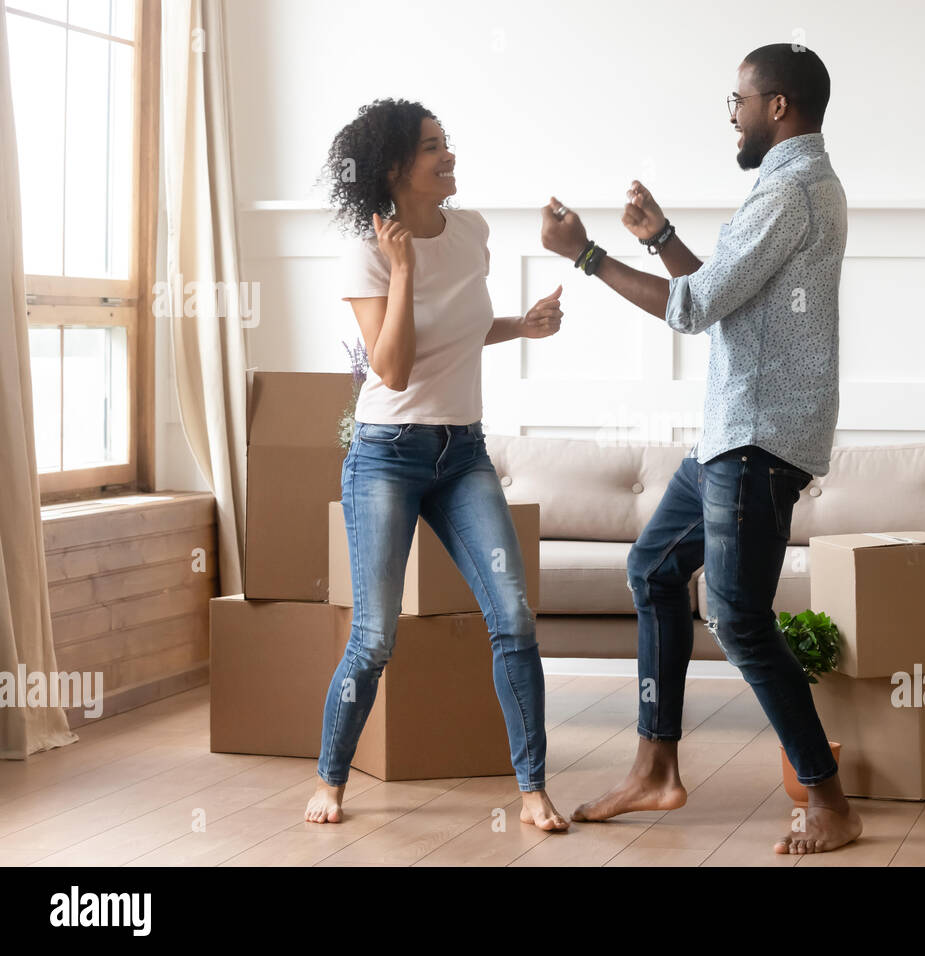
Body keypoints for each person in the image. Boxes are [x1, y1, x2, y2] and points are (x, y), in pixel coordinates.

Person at [539, 44, 861, 854]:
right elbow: (722, 298)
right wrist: (662, 237)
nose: (733, 114)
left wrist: (586, 256)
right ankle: (656, 769)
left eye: (739, 100)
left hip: (756, 437)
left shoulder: (790, 190)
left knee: (741, 618)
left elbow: (689, 309)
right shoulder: (795, 187)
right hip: (734, 434)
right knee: (652, 568)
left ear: (777, 106)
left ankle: (828, 800)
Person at [306, 98, 568, 831]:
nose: (447, 156)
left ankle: (533, 788)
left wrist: (524, 326)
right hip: (386, 457)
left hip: (463, 452)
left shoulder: (473, 230)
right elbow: (390, 369)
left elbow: (464, 329)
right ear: (394, 168)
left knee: (513, 616)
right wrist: (402, 267)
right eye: (431, 148)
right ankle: (330, 779)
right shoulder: (367, 250)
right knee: (376, 635)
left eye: (446, 142)